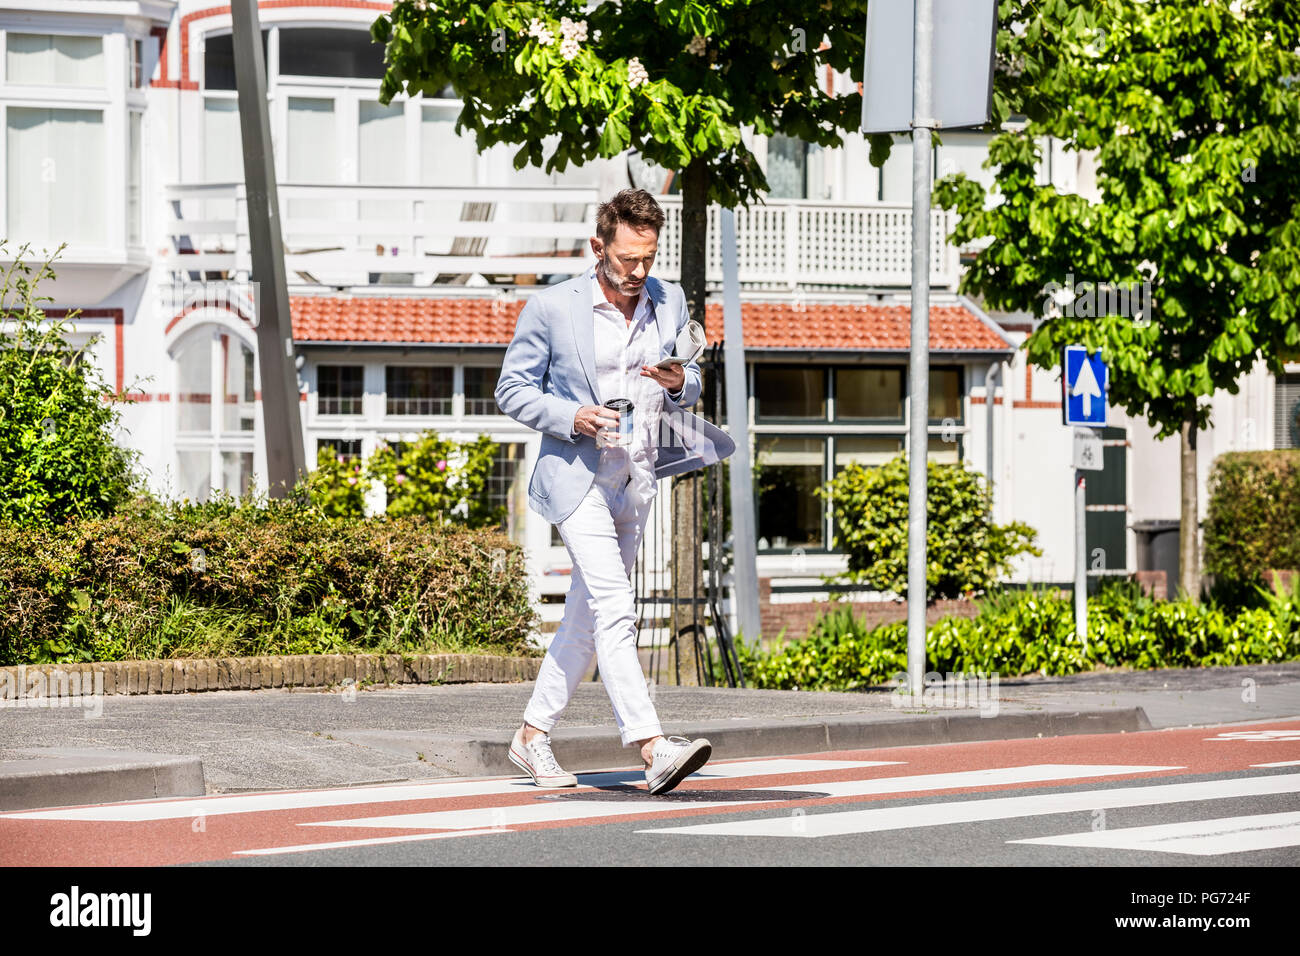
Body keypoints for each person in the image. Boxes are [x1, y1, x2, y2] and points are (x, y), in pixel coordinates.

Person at [494, 188, 734, 795]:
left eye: (649, 258)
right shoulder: (551, 308)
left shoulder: (668, 299)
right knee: (614, 606)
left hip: (640, 473)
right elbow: (512, 390)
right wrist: (574, 415)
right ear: (598, 247)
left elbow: (691, 380)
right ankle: (652, 746)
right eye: (628, 259)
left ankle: (530, 735)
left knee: (585, 615)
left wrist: (682, 382)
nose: (640, 272)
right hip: (578, 479)